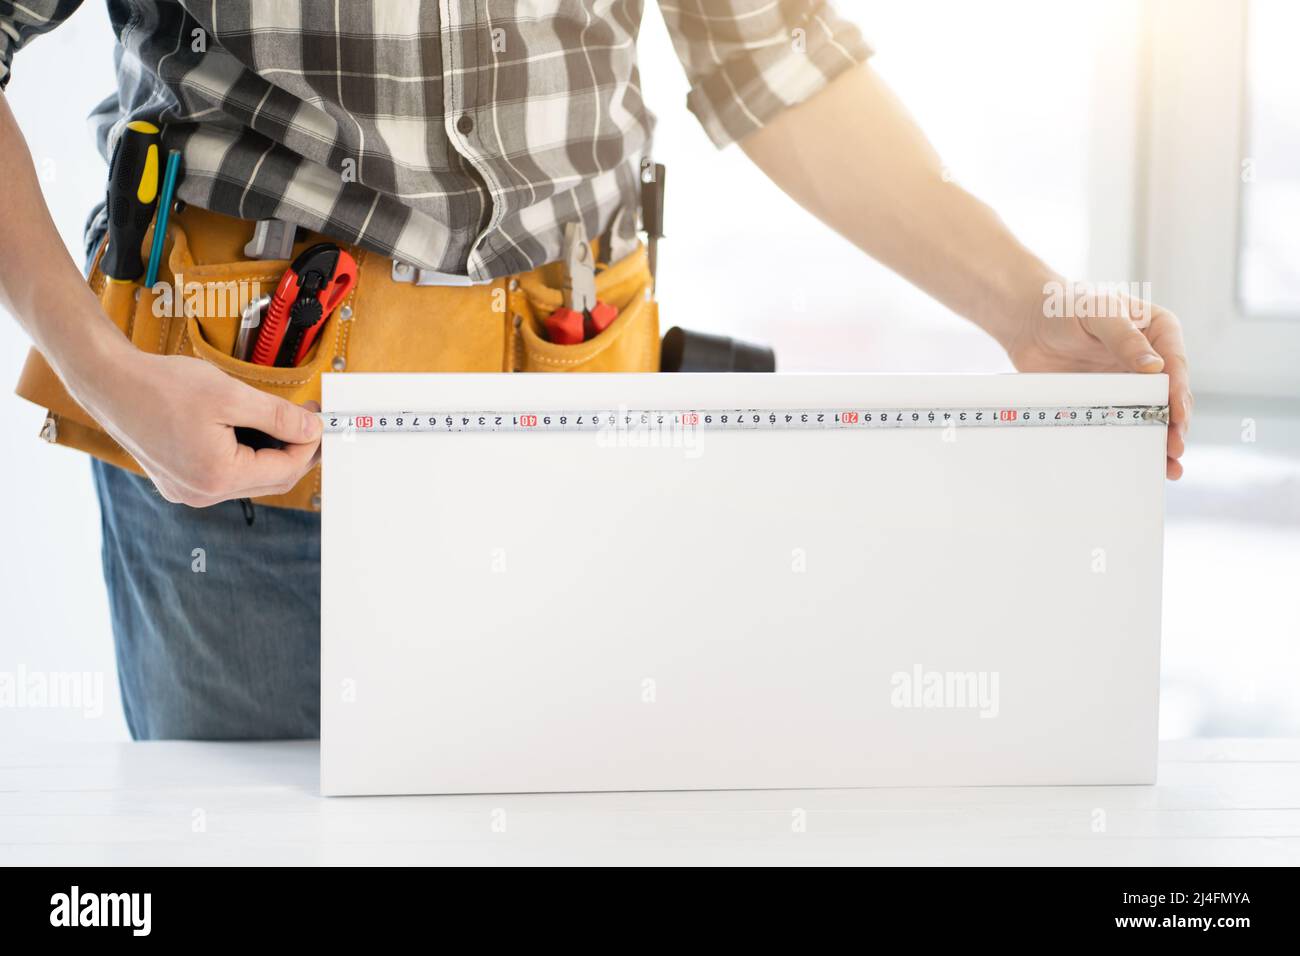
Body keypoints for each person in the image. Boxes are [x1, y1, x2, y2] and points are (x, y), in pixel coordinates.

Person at [0, 2, 1190, 740]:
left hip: (573, 437)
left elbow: (769, 54)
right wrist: (95, 367)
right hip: (242, 451)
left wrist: (1029, 306)